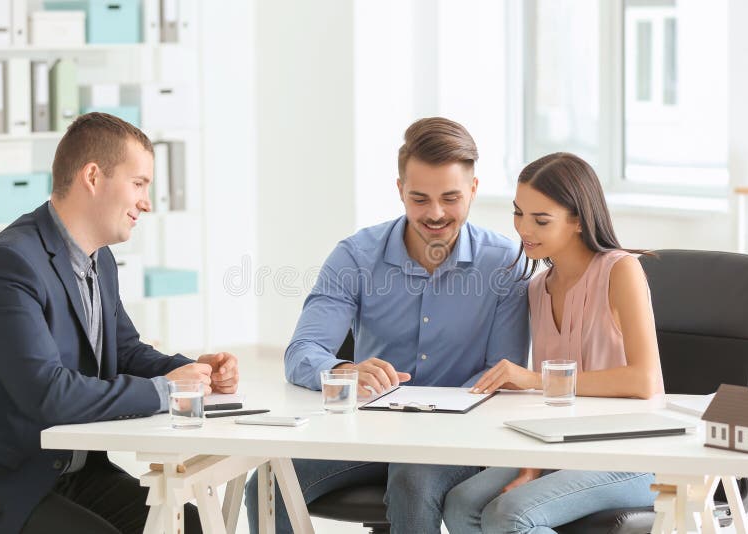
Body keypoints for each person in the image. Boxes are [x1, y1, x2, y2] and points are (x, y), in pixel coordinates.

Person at [244, 117, 530, 533]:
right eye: (419, 198)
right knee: (267, 485)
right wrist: (344, 371)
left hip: (458, 435)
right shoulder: (355, 256)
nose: (435, 214)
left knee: (412, 480)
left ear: (473, 189)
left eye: (450, 198)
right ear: (400, 191)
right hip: (370, 431)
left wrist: (437, 413)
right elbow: (302, 352)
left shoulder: (507, 265)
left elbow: (500, 371)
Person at [0, 112, 239, 534]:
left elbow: (126, 350)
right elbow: (48, 394)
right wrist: (168, 390)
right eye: (139, 184)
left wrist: (193, 370)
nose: (147, 202)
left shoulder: (100, 260)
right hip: (12, 487)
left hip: (74, 473)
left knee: (186, 525)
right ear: (93, 177)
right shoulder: (10, 264)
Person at [442, 152, 665, 534]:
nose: (524, 229)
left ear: (578, 220)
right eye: (518, 213)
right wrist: (532, 465)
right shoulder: (537, 289)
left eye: (541, 219)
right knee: (462, 504)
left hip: (632, 454)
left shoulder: (621, 271)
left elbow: (644, 381)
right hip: (561, 448)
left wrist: (536, 380)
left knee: (507, 515)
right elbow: (554, 408)